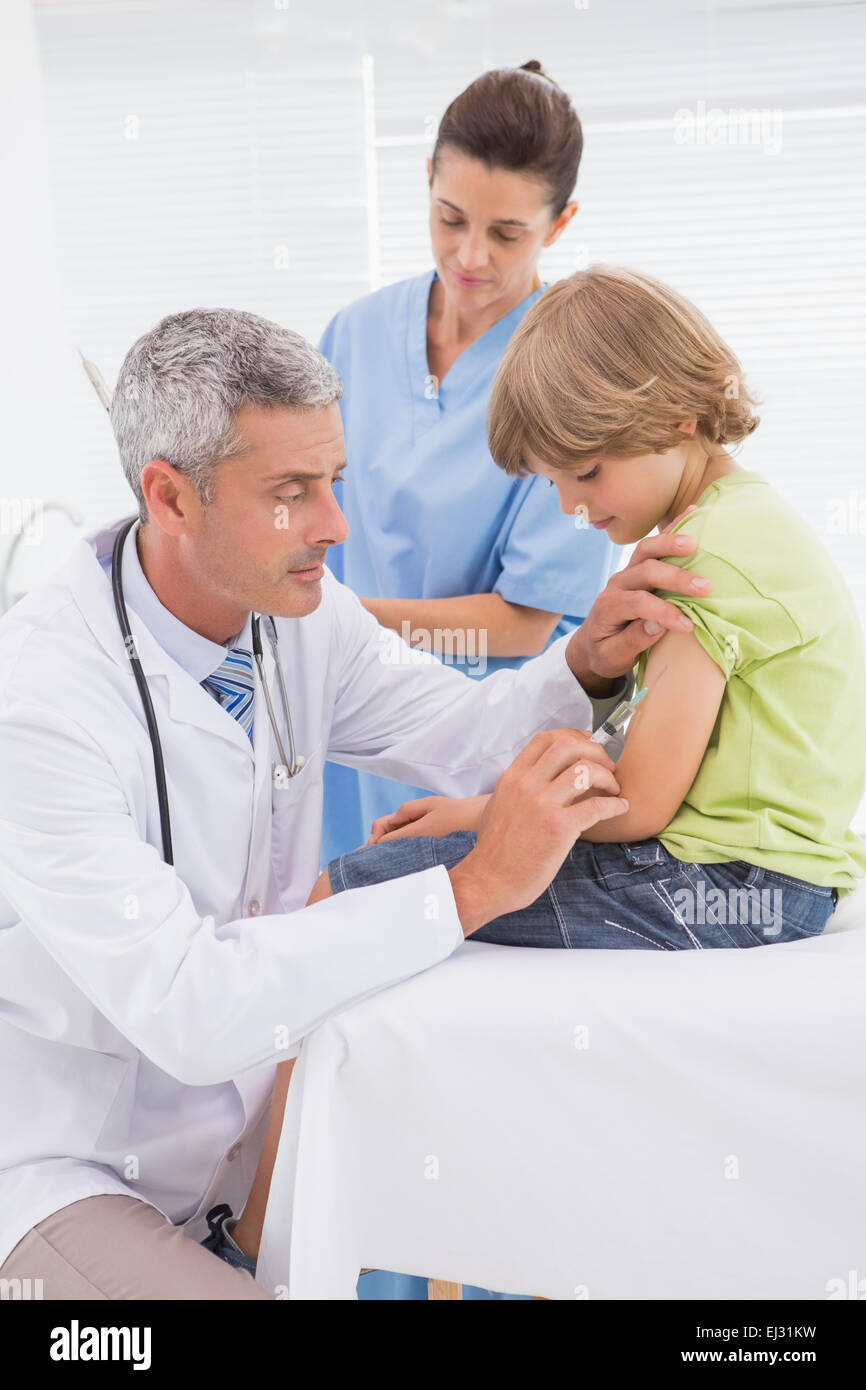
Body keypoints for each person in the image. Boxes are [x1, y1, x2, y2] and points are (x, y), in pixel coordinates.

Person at [0, 305, 702, 1299]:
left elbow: (457, 734)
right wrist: (467, 889)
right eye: (291, 492)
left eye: (334, 480)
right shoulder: (40, 702)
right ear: (170, 497)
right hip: (65, 1176)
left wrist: (579, 666)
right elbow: (188, 1005)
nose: (335, 525)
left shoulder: (298, 612)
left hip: (236, 1159)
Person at [227, 268, 866, 1279]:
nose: (569, 506)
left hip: (725, 891)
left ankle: (251, 1239)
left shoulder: (700, 566)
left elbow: (642, 800)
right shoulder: (735, 527)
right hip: (764, 878)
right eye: (554, 482)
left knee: (340, 895)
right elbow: (644, 757)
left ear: (670, 413)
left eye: (587, 471)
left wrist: (486, 825)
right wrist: (484, 807)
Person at [318, 61, 614, 881]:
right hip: (345, 724)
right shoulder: (354, 334)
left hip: (481, 735)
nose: (470, 254)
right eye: (449, 218)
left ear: (559, 224)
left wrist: (328, 620)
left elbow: (527, 621)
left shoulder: (567, 373)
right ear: (427, 183)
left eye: (507, 232)